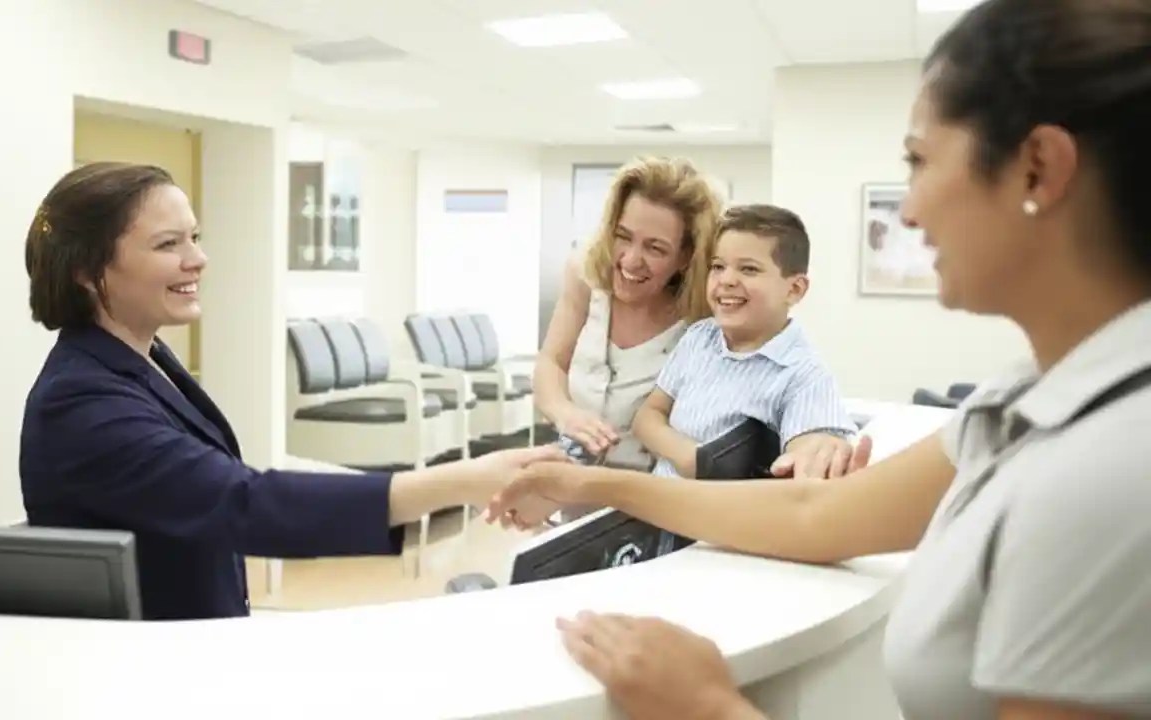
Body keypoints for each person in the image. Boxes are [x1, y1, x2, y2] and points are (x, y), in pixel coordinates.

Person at [493, 0, 1151, 717]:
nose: (907, 213)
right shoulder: (1026, 399)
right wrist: (592, 487)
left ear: (1037, 169)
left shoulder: (1115, 467)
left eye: (920, 162)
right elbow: (816, 512)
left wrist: (707, 705)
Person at [19, 161, 562, 621]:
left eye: (195, 237)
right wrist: (466, 480)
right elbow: (242, 503)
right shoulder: (81, 403)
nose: (198, 259)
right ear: (90, 273)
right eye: (168, 244)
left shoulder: (144, 358)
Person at [633, 204, 858, 481]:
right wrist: (694, 460)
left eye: (749, 269)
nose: (726, 280)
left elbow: (812, 450)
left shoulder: (804, 377)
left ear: (794, 289)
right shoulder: (698, 338)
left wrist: (817, 449)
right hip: (655, 509)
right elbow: (648, 415)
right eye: (718, 266)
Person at [535, 156, 719, 479]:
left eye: (655, 248)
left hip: (652, 492)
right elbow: (551, 362)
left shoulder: (702, 318)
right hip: (573, 476)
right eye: (623, 236)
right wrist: (567, 415)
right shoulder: (583, 277)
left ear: (685, 257)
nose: (631, 260)